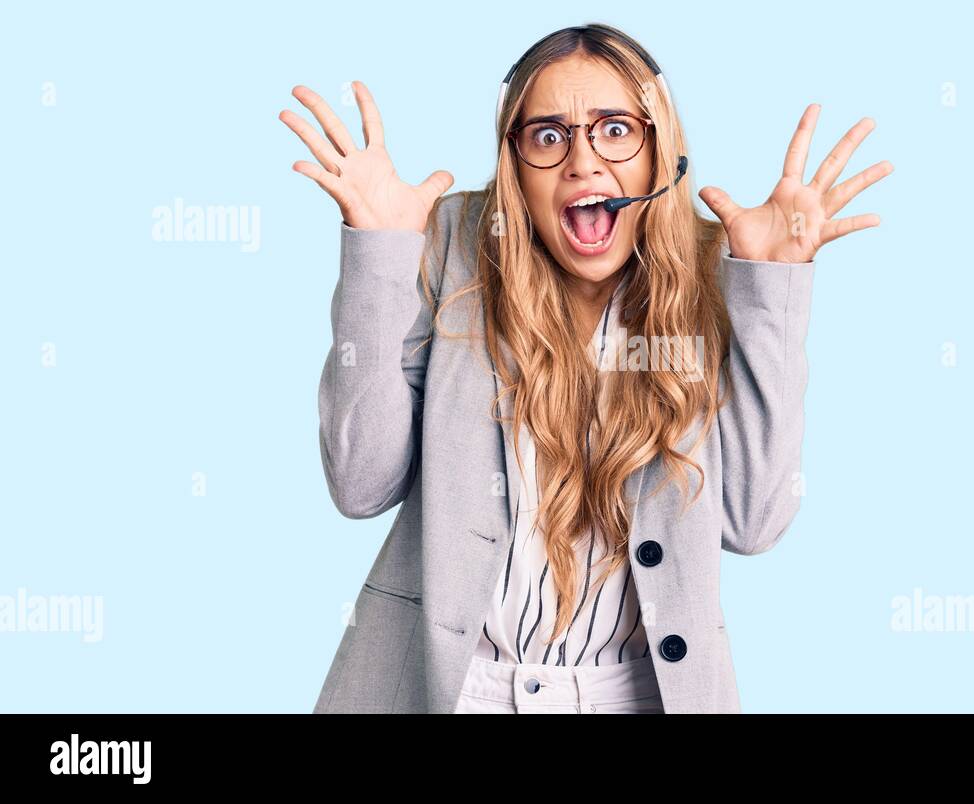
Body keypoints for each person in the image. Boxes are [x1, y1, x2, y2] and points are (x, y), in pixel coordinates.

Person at [280, 22, 892, 714]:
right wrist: (380, 254)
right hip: (452, 693)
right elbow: (361, 483)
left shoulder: (714, 277)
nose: (583, 161)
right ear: (514, 163)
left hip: (637, 696)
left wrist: (773, 289)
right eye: (549, 135)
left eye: (615, 129)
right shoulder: (452, 247)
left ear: (659, 151)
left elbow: (753, 520)